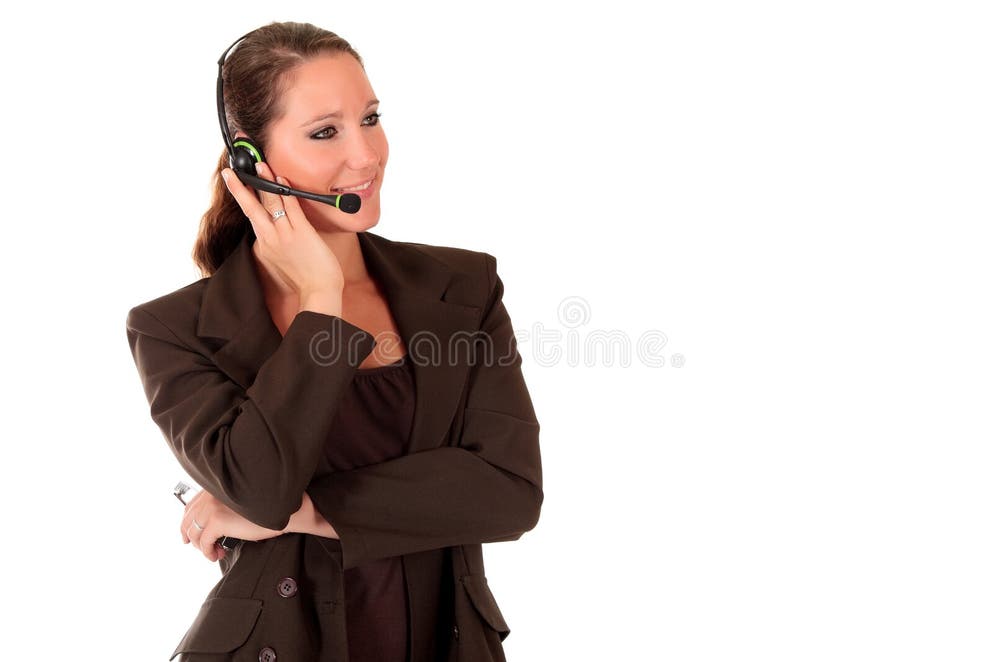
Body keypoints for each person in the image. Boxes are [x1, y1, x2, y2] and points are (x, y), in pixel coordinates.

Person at [125, 21, 543, 662]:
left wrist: (308, 510)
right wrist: (322, 298)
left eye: (370, 119)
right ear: (251, 160)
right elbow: (262, 491)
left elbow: (508, 491)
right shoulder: (174, 328)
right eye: (325, 132)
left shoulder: (464, 287)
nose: (366, 155)